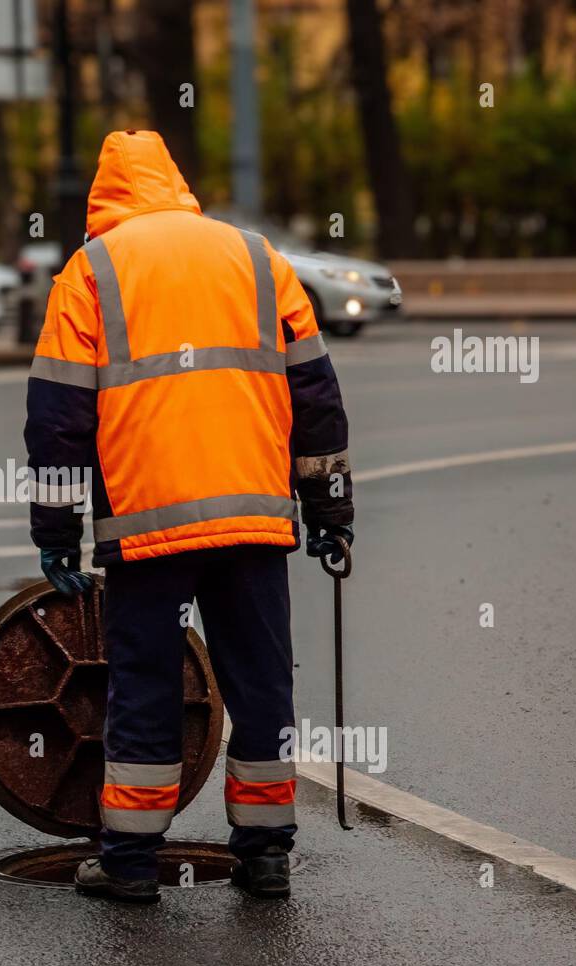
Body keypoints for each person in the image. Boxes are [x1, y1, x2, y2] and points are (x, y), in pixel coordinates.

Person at [23, 130, 354, 904]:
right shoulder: (255, 256)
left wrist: (55, 529)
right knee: (261, 683)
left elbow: (58, 417)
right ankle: (266, 853)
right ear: (175, 182)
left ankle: (132, 863)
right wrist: (330, 504)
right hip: (253, 518)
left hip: (150, 524)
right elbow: (315, 393)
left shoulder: (91, 271)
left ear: (103, 196)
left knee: (146, 687)